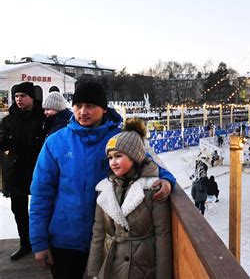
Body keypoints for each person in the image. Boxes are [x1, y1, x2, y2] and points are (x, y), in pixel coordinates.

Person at [29, 82, 176, 279]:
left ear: (103, 108)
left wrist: (166, 179)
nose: (83, 111)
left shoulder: (120, 139)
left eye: (90, 106)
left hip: (107, 239)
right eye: (78, 105)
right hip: (64, 241)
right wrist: (39, 241)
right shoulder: (56, 142)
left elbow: (148, 162)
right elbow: (41, 193)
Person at [87, 118, 172, 279]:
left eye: (118, 156)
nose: (113, 162)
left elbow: (163, 236)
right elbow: (98, 234)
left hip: (142, 268)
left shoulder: (151, 188)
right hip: (112, 266)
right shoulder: (104, 189)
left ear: (135, 156)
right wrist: (93, 272)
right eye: (110, 157)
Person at [0, 82, 46, 261]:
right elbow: (4, 144)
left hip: (38, 170)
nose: (19, 99)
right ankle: (25, 243)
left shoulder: (42, 117)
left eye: (23, 96)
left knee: (42, 208)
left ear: (31, 97)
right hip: (17, 170)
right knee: (18, 210)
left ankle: (42, 242)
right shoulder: (9, 119)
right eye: (16, 96)